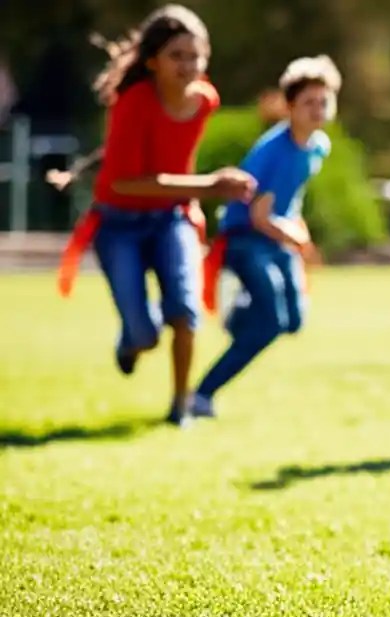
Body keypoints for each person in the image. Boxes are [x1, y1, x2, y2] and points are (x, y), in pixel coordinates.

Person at [55, 4, 256, 426]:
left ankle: (180, 406)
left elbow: (174, 165)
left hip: (172, 218)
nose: (188, 65)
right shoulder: (133, 102)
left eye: (196, 56)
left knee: (185, 311)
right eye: (176, 56)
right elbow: (127, 183)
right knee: (144, 334)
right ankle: (131, 343)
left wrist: (195, 193)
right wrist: (209, 184)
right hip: (119, 223)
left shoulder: (205, 101)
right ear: (152, 62)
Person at [188, 56, 340, 418]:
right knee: (269, 324)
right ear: (290, 107)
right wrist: (297, 239)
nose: (318, 110)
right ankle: (201, 395)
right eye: (308, 103)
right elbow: (259, 216)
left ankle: (240, 314)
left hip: (277, 237)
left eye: (324, 101)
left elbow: (292, 197)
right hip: (245, 238)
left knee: (293, 321)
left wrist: (296, 231)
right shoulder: (276, 151)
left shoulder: (317, 145)